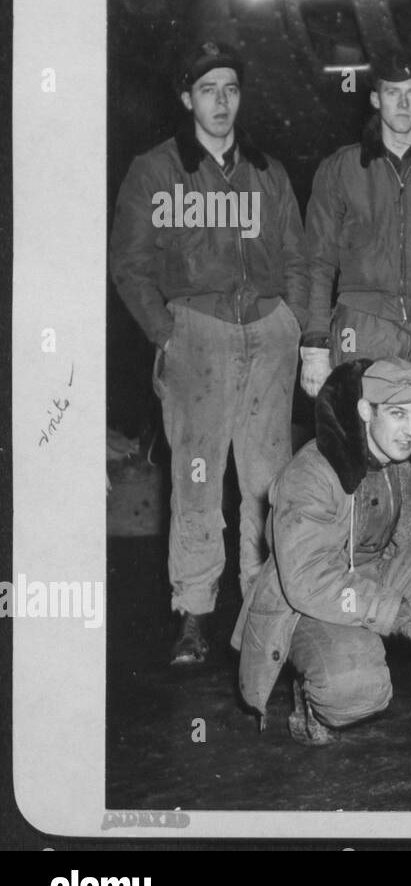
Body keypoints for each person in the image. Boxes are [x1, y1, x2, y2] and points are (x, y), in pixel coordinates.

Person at [110, 40, 307, 665]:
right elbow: (130, 265)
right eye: (207, 90)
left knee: (267, 482)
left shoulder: (268, 171)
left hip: (268, 335)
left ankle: (261, 609)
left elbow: (299, 257)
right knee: (196, 479)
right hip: (198, 332)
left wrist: (293, 323)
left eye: (230, 90)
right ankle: (193, 613)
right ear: (185, 97)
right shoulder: (156, 169)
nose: (220, 102)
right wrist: (167, 333)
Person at [233, 358, 411, 746]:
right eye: (397, 414)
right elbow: (307, 581)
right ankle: (313, 693)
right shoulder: (313, 472)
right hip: (312, 599)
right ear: (365, 410)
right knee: (357, 691)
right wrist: (400, 613)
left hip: (379, 574)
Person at [299, 48, 411, 458]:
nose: (402, 103)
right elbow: (318, 262)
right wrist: (314, 345)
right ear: (376, 99)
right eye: (392, 93)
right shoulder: (341, 168)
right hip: (364, 324)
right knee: (362, 446)